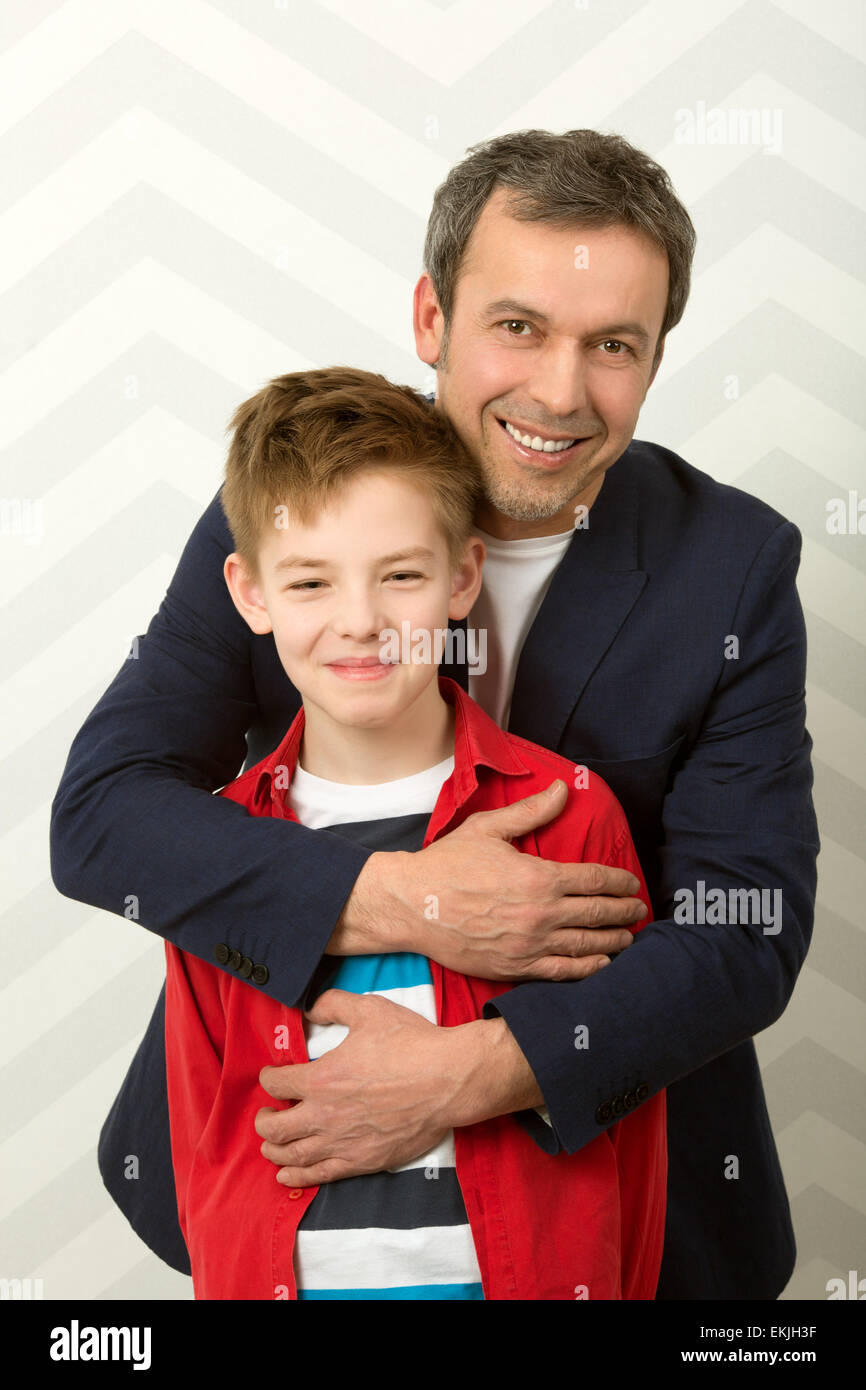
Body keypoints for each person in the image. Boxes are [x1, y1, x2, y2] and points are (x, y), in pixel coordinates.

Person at [50, 129, 819, 1301]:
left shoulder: (732, 563)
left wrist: (471, 1072)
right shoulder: (296, 505)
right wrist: (407, 899)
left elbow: (743, 932)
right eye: (516, 326)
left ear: (658, 357)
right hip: (281, 1181)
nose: (559, 393)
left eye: (610, 344)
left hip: (613, 1210)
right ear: (430, 318)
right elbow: (103, 816)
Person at [165, 365, 665, 1300]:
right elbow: (207, 1130)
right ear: (250, 593)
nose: (361, 622)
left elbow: (626, 1117)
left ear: (461, 576)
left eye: (400, 575)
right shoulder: (217, 846)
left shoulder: (568, 814)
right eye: (310, 581)